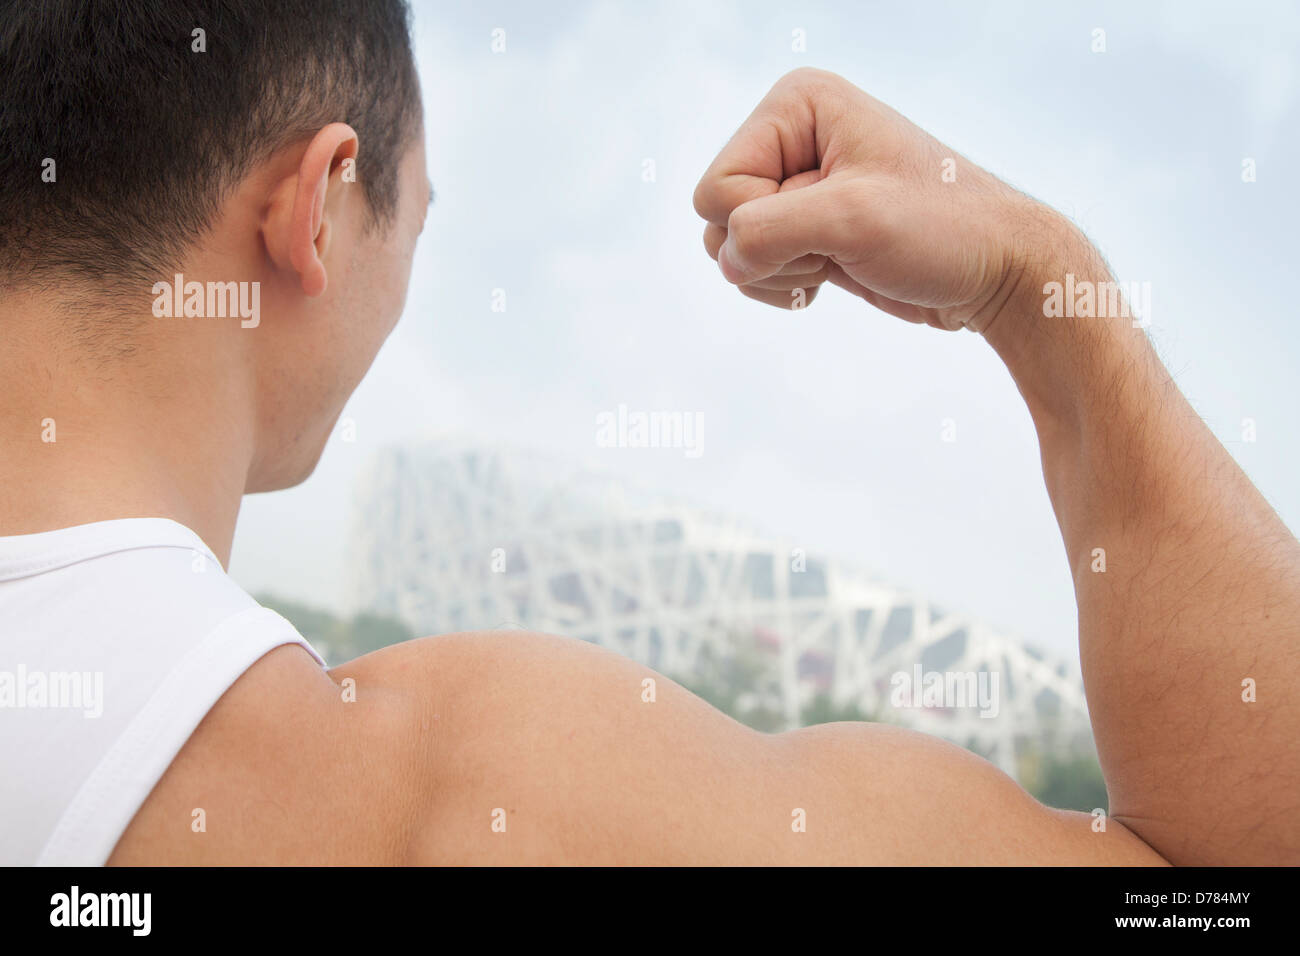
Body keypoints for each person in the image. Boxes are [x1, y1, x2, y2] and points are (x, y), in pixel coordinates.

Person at [1, 1, 1295, 866]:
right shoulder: (442, 792)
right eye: (420, 216)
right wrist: (1044, 289)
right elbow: (1220, 869)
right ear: (321, 205)